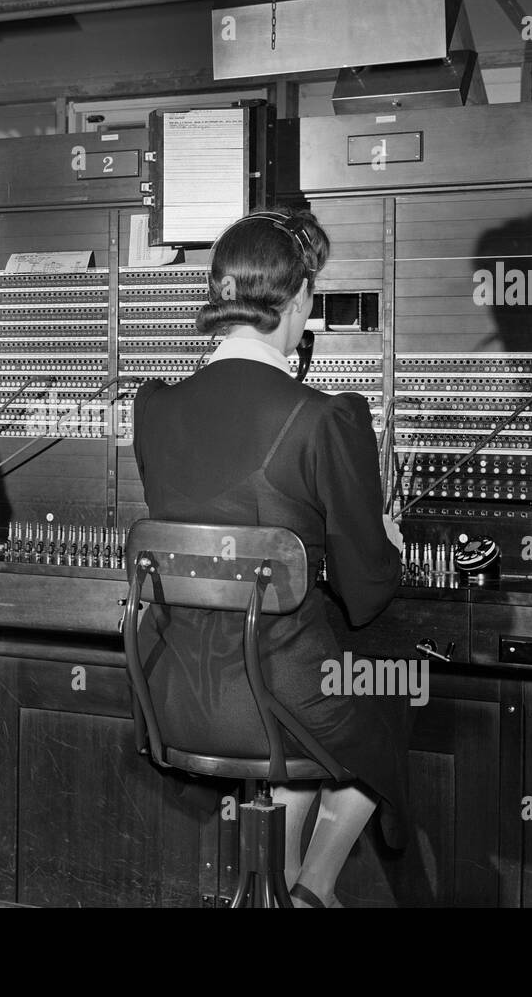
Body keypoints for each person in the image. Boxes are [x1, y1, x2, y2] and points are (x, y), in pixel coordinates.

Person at [131, 209, 407, 909]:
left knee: (302, 695)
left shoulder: (154, 409)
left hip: (174, 697)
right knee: (397, 677)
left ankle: (275, 889)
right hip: (283, 700)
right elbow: (366, 592)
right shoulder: (325, 417)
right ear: (297, 301)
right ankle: (312, 886)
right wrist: (386, 545)